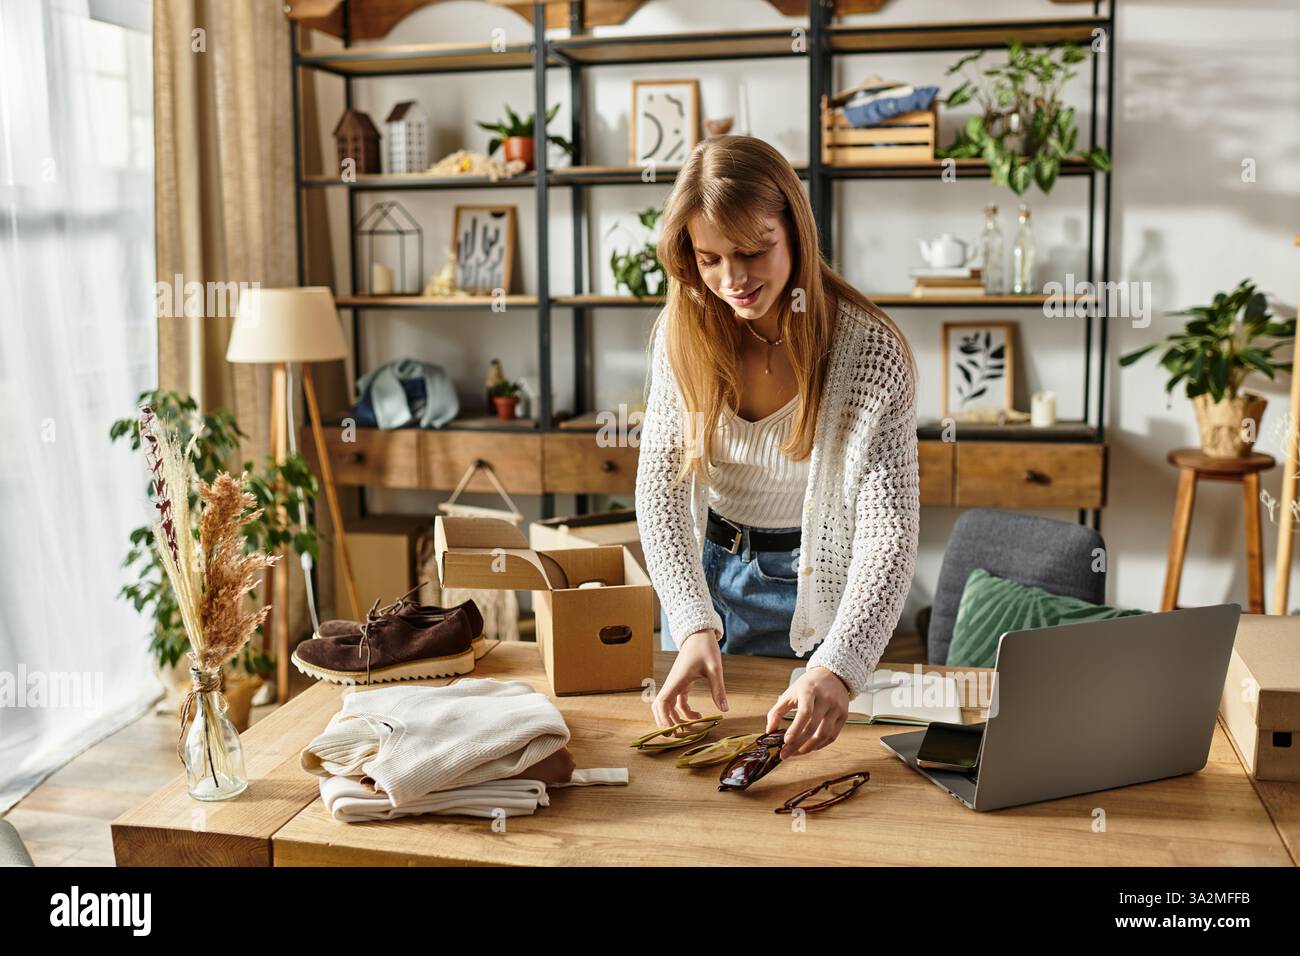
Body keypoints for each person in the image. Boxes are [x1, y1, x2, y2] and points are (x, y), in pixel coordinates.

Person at [635, 135, 919, 760]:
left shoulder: (870, 354)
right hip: (706, 582)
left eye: (751, 252)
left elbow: (888, 532)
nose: (731, 280)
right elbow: (660, 490)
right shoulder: (680, 333)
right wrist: (689, 621)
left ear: (795, 229)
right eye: (708, 259)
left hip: (821, 596)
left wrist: (840, 665)